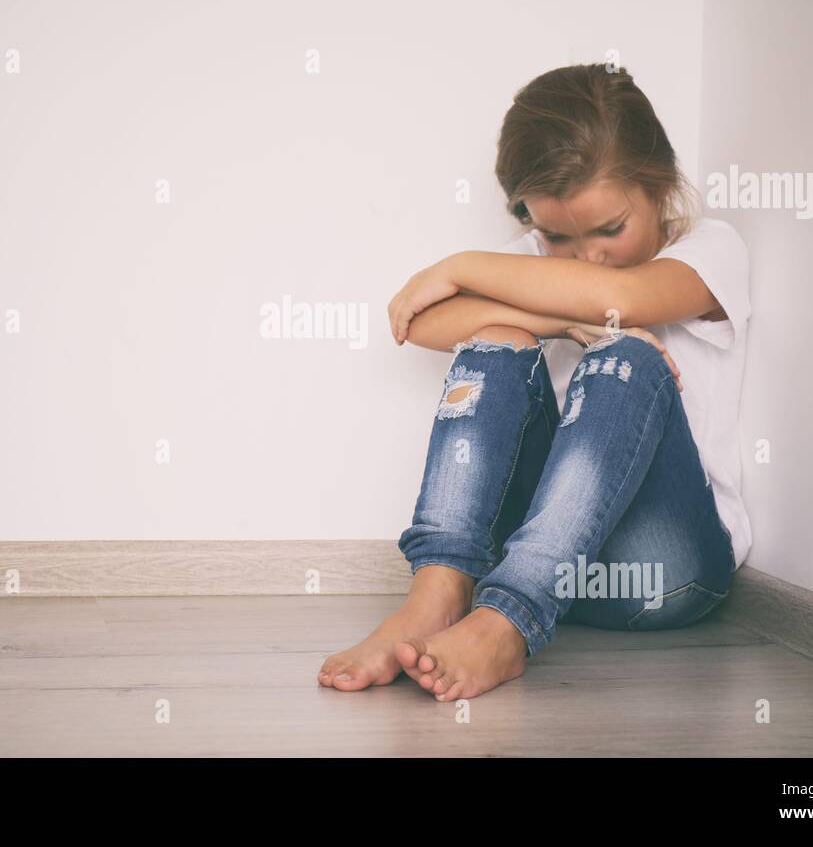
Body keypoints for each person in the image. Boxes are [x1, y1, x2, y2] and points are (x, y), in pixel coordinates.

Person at [317, 63, 752, 701]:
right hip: (537, 560)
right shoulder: (536, 264)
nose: (586, 256)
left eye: (610, 229)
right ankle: (436, 596)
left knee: (627, 352)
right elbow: (427, 320)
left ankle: (507, 623)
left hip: (663, 572)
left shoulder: (709, 250)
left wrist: (460, 265)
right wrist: (555, 319)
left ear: (659, 186)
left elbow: (623, 298)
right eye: (555, 236)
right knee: (496, 341)